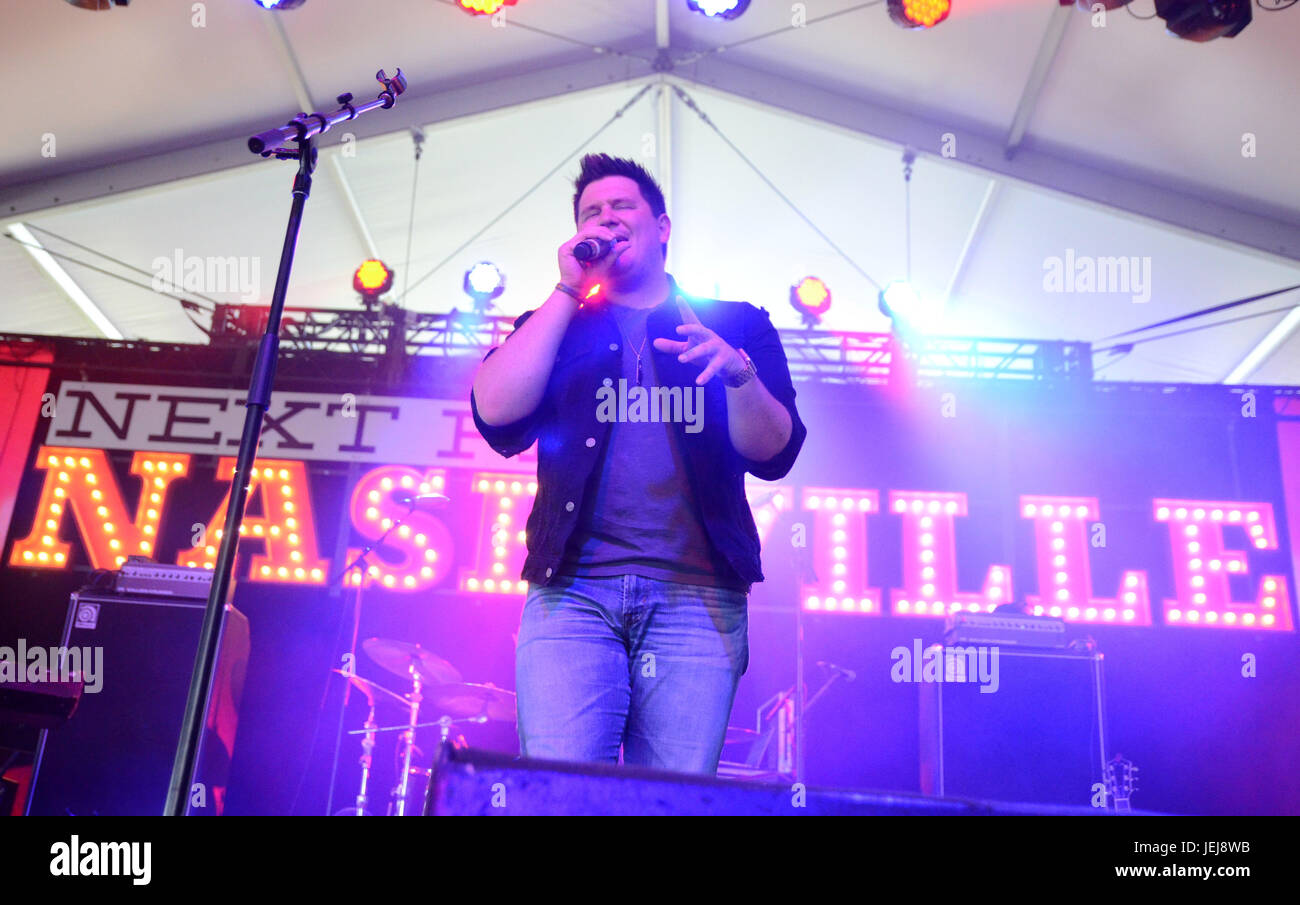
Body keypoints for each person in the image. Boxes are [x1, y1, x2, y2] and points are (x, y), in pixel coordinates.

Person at [471, 153, 806, 775]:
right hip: (572, 594)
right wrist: (569, 289)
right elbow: (494, 414)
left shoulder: (734, 323)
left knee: (668, 801)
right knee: (562, 795)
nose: (606, 217)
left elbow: (775, 451)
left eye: (621, 206)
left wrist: (737, 372)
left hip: (699, 599)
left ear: (662, 226)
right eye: (590, 212)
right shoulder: (557, 323)